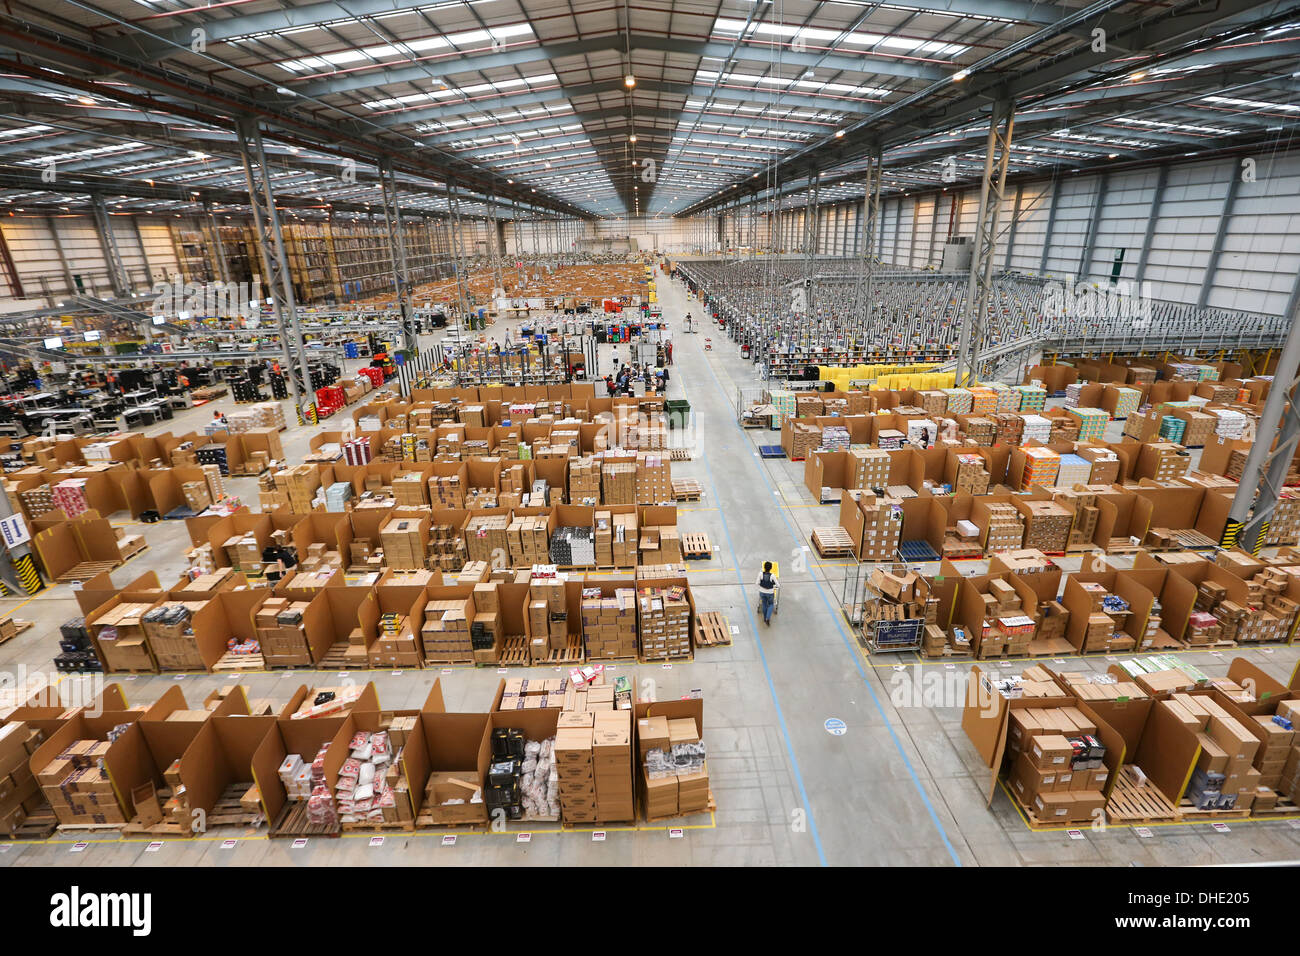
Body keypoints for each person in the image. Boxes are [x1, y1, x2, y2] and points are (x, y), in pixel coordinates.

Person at [756, 562, 779, 626]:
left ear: (764, 567)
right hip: (770, 593)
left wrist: (762, 585)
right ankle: (767, 618)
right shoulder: (772, 575)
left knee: (764, 604)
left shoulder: (760, 574)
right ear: (771, 568)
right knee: (771, 604)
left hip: (762, 592)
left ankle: (764, 618)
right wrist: (773, 585)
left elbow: (757, 583)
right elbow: (778, 585)